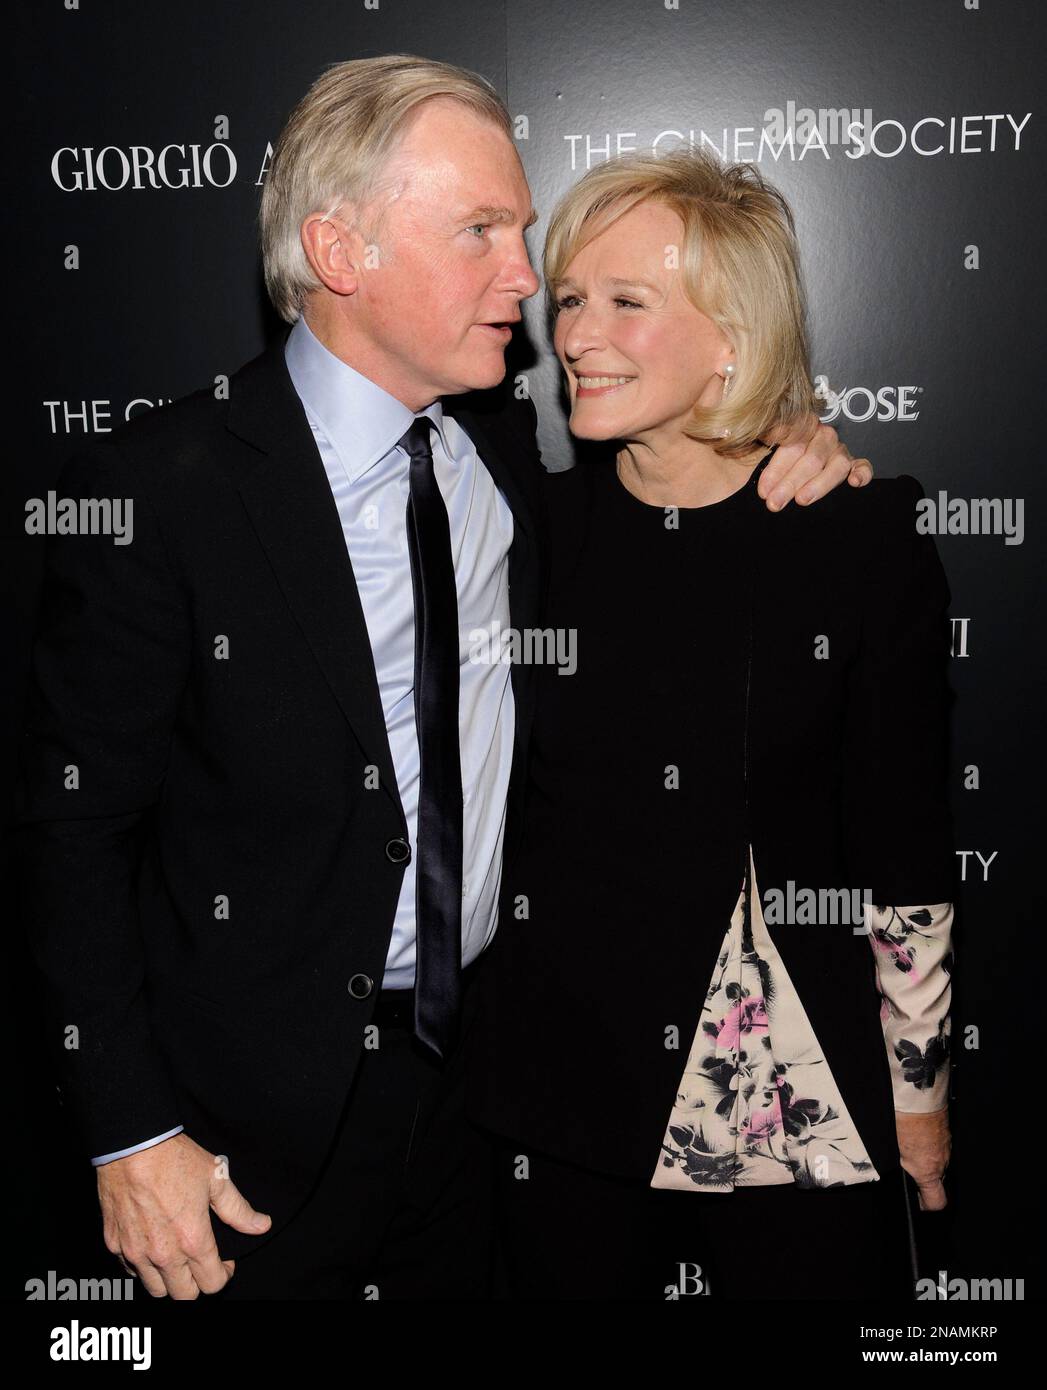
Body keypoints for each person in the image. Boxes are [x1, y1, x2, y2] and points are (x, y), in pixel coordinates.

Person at [15, 57, 867, 1302]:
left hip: (494, 1112)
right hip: (237, 1145)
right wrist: (129, 1131)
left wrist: (789, 441)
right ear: (339, 250)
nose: (527, 280)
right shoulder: (164, 487)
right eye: (482, 231)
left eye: (520, 232)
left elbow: (682, 497)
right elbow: (70, 833)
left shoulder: (503, 447)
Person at [467, 148, 955, 1300]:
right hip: (564, 1103)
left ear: (735, 334)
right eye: (571, 298)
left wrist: (920, 1096)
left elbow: (903, 844)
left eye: (627, 302)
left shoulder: (854, 535)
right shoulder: (527, 529)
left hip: (795, 1102)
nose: (576, 335)